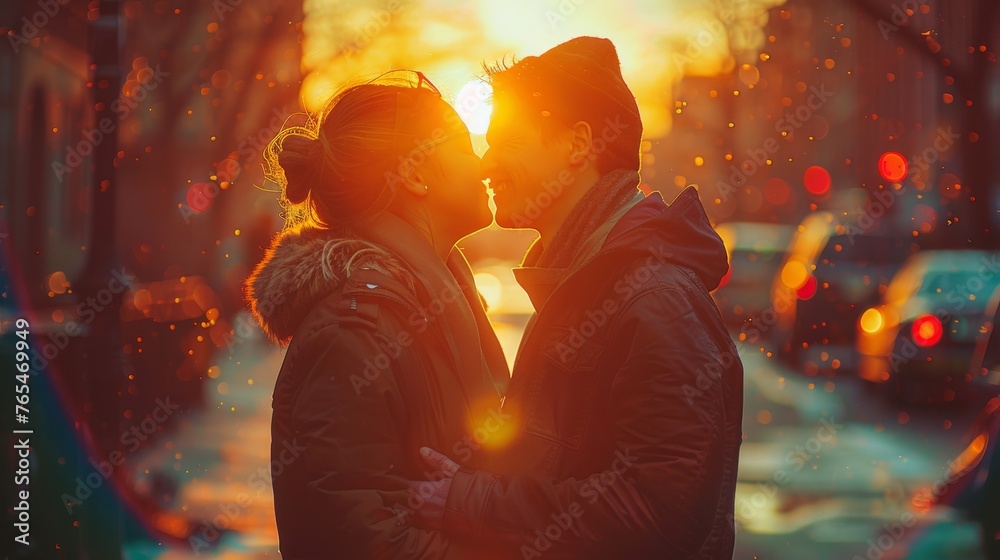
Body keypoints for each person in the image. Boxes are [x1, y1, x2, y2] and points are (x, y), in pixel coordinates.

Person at [410, 37, 745, 559]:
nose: (486, 165)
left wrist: (471, 501)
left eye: (507, 143)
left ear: (577, 144)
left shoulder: (653, 297)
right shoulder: (593, 281)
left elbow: (660, 512)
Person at [244, 71, 511, 559]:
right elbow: (362, 540)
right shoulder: (359, 327)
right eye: (466, 146)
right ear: (415, 172)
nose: (486, 163)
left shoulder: (432, 301)